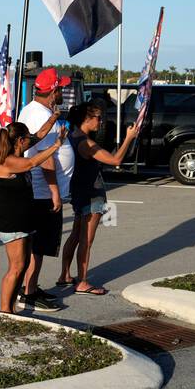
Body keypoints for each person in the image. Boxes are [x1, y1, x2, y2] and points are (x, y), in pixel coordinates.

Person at [56, 102, 138, 295]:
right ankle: (82, 281)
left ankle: (65, 275)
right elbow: (115, 160)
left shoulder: (73, 136)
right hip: (92, 194)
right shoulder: (86, 142)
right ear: (86, 118)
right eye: (98, 117)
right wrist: (128, 138)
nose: (101, 121)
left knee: (76, 235)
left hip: (79, 191)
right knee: (86, 240)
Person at [0, 121, 68, 314]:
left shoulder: (18, 151)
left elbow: (39, 135)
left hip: (25, 219)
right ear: (19, 140)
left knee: (24, 265)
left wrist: (54, 117)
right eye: (27, 139)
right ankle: (4, 311)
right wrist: (56, 145)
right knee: (16, 267)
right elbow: (32, 163)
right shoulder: (7, 161)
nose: (31, 142)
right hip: (12, 222)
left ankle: (12, 309)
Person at [15, 68, 74, 308]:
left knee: (38, 245)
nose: (64, 92)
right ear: (53, 91)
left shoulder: (36, 110)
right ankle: (28, 292)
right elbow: (45, 157)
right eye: (62, 88)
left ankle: (31, 286)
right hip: (41, 193)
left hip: (40, 191)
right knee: (38, 246)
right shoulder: (40, 115)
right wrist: (55, 192)